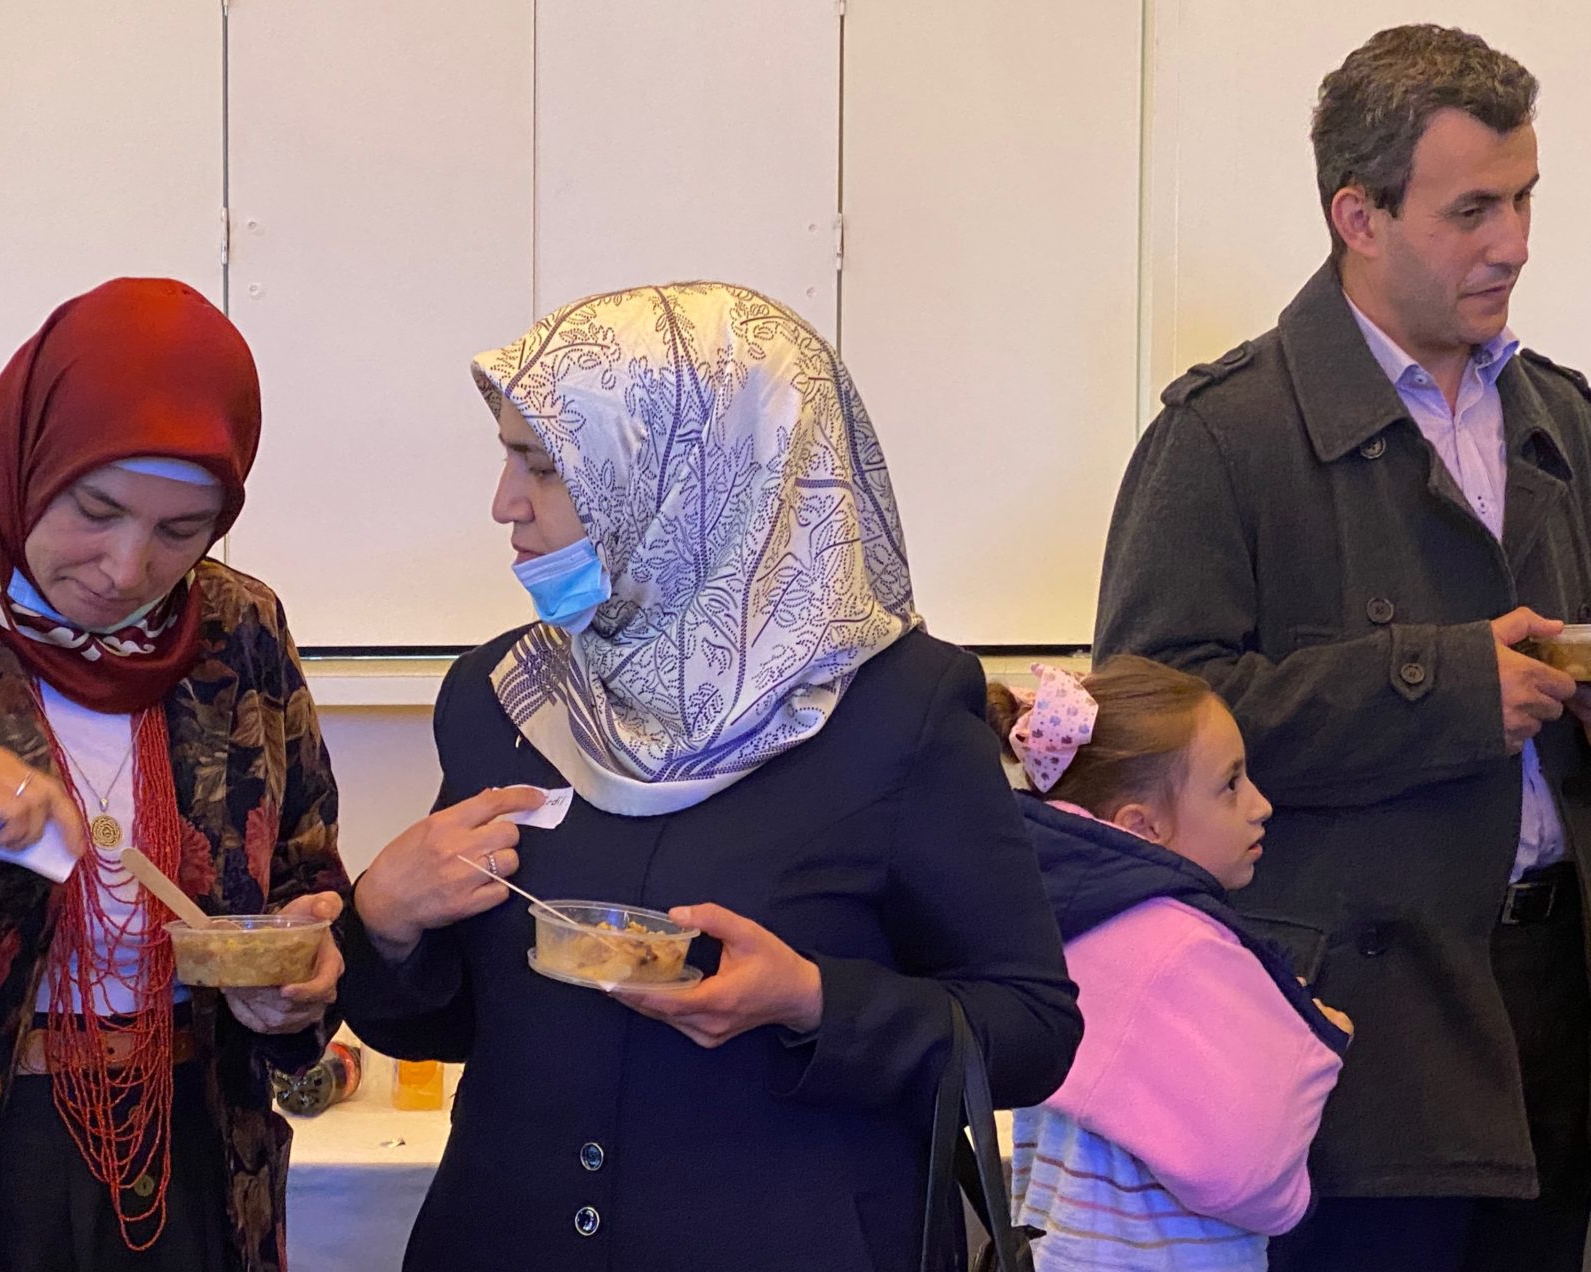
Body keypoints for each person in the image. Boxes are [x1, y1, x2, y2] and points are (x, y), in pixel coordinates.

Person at [0, 278, 519, 1272]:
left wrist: (296, 977)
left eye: (181, 531)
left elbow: (300, 880)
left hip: (185, 1148)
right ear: (28, 456)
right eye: (96, 509)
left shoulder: (237, 632)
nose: (125, 567)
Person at [337, 281, 1082, 1269]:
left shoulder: (898, 709)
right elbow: (456, 1023)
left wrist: (813, 1000)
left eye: (543, 467)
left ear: (690, 481)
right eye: (509, 458)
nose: (504, 503)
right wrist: (385, 925)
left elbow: (1032, 1031)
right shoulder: (505, 696)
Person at [1095, 25, 1591, 1270]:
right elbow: (1140, 738)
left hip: (1558, 1016)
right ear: (1357, 216)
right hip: (1357, 1051)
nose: (1515, 243)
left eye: (1525, 198)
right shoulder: (1223, 439)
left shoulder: (1567, 421)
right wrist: (1442, 689)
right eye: (1471, 209)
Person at [989, 658, 1349, 1270]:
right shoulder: (1182, 948)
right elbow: (1246, 1175)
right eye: (1230, 784)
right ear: (1143, 825)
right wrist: (1319, 1045)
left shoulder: (1052, 927)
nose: (1260, 804)